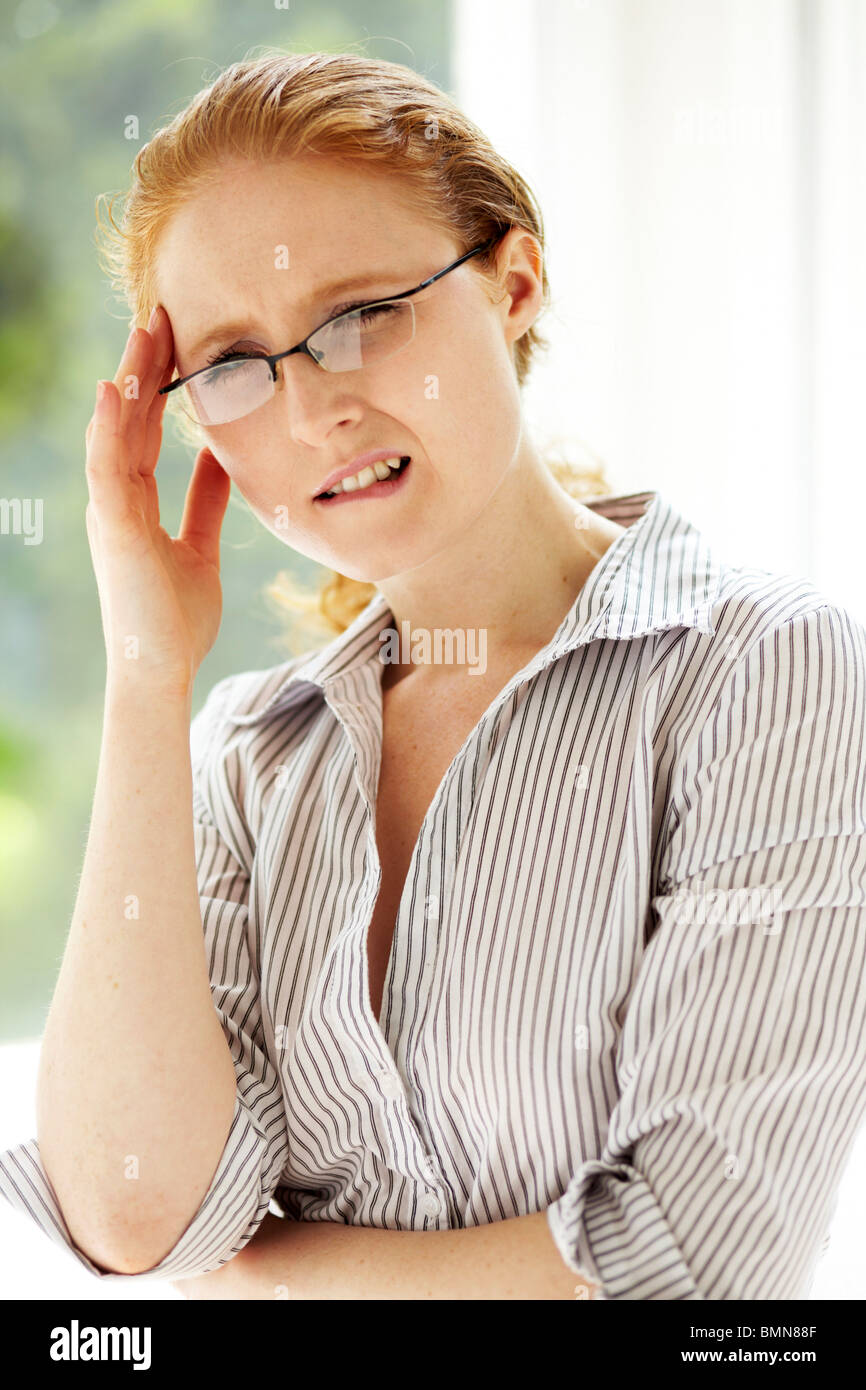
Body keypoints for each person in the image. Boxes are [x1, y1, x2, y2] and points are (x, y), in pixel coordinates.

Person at [2, 49, 865, 1301]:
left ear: (513, 280)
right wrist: (147, 673)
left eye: (359, 318)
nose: (311, 416)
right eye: (235, 366)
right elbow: (135, 1214)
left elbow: (695, 1258)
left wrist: (264, 1280)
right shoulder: (254, 754)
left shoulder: (758, 673)